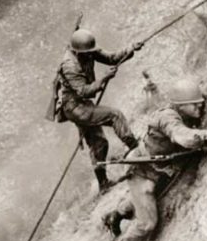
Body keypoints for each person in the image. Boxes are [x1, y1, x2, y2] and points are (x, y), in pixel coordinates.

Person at [100, 77, 207, 241]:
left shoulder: (186, 104)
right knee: (147, 222)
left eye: (199, 102)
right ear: (181, 105)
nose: (200, 105)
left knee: (145, 200)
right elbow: (185, 138)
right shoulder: (168, 119)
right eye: (195, 104)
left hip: (159, 170)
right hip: (142, 172)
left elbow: (205, 88)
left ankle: (114, 216)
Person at [58, 29, 143, 194]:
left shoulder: (87, 51)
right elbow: (84, 91)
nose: (91, 55)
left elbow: (112, 58)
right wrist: (104, 78)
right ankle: (136, 149)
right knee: (114, 115)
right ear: (77, 51)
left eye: (92, 51)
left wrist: (131, 48)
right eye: (87, 53)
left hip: (83, 103)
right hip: (75, 108)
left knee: (99, 143)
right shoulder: (69, 65)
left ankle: (103, 184)